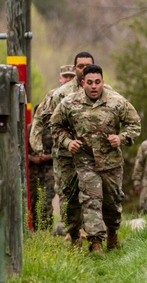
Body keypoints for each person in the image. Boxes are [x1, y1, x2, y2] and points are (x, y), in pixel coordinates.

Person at [50, 64, 141, 252]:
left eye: (97, 82)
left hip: (111, 163)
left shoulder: (117, 102)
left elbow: (134, 123)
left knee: (112, 204)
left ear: (103, 82)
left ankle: (113, 232)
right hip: (85, 161)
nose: (93, 86)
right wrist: (67, 142)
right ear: (83, 83)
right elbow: (55, 126)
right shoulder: (69, 103)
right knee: (91, 199)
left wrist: (121, 138)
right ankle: (96, 242)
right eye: (89, 82)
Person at [31, 51, 94, 236]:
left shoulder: (102, 91)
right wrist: (37, 147)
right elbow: (39, 119)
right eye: (80, 66)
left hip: (91, 154)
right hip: (65, 154)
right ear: (76, 69)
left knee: (91, 193)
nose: (84, 69)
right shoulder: (59, 94)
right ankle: (71, 232)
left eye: (87, 65)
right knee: (67, 194)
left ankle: (90, 232)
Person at [28, 65, 76, 230]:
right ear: (60, 79)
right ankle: (61, 227)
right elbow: (36, 126)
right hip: (54, 160)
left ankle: (75, 227)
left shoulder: (82, 95)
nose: (68, 80)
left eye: (72, 77)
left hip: (74, 153)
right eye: (65, 77)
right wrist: (36, 153)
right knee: (58, 192)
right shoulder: (53, 97)